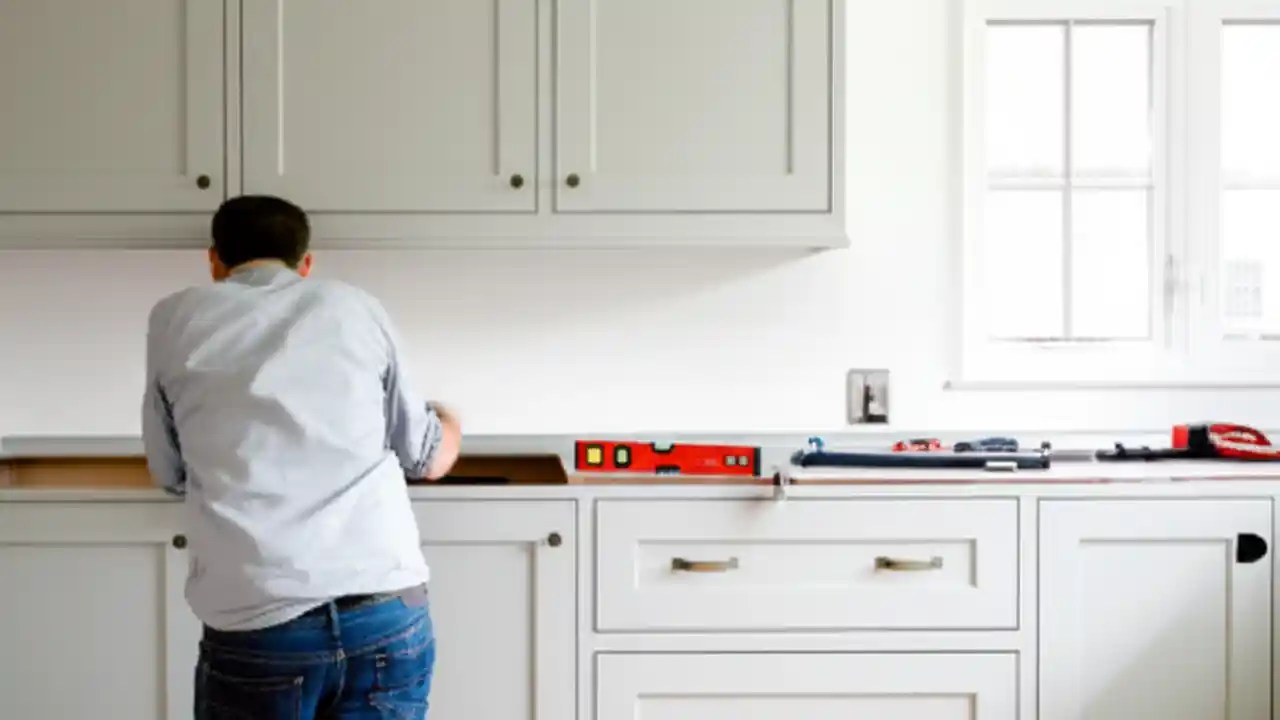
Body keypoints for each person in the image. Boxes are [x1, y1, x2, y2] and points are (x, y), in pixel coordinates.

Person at [141, 194, 461, 719]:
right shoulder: (355, 306)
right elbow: (426, 457)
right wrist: (451, 422)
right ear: (305, 264)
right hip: (384, 608)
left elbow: (168, 470)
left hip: (259, 622)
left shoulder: (176, 318)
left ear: (214, 260)